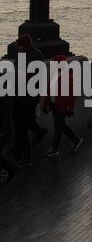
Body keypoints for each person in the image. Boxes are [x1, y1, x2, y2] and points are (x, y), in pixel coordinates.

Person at [10, 35, 46, 166]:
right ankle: (20, 155)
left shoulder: (36, 56)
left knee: (22, 127)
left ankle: (24, 157)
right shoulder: (23, 54)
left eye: (20, 46)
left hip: (29, 96)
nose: (18, 49)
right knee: (20, 125)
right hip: (19, 94)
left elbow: (28, 75)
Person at [42, 53, 83, 157]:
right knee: (61, 125)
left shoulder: (67, 77)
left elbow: (72, 93)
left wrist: (68, 106)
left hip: (62, 106)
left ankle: (56, 148)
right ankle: (75, 140)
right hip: (56, 105)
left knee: (58, 126)